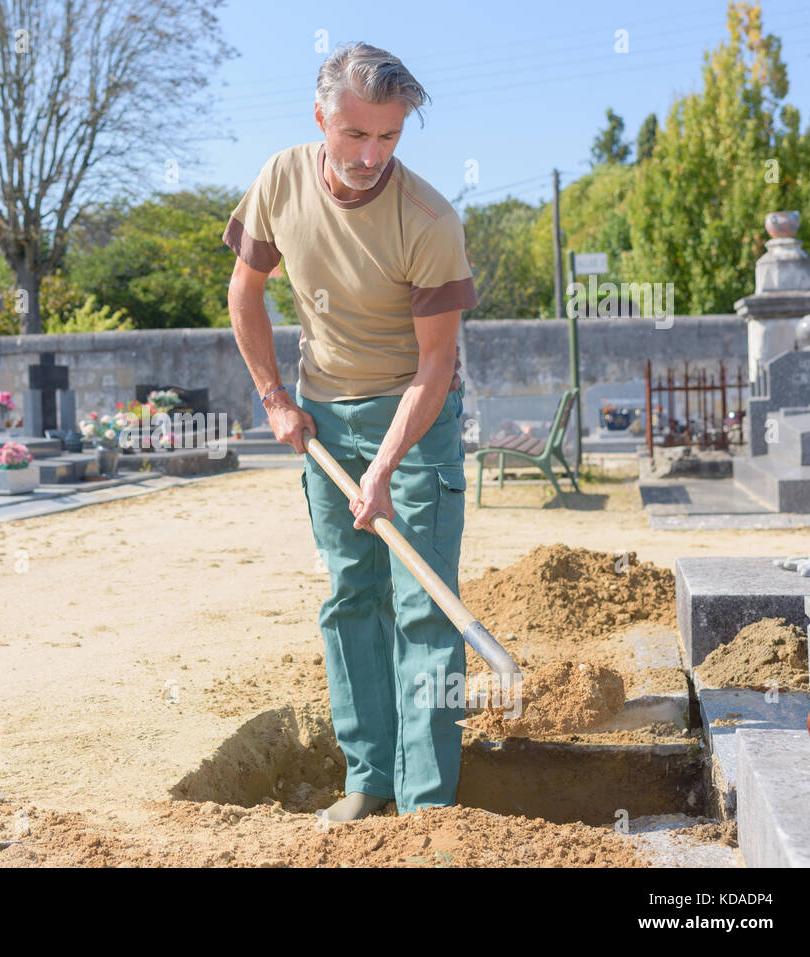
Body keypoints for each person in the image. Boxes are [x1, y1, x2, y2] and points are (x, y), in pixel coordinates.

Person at [223, 41, 477, 822]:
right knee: (350, 596)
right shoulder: (280, 179)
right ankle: (369, 781)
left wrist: (388, 465)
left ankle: (429, 803)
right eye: (355, 135)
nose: (371, 155)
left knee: (425, 607)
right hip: (324, 418)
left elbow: (435, 368)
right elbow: (245, 293)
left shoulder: (429, 220)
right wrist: (275, 398)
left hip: (415, 422)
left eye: (390, 137)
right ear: (320, 118)